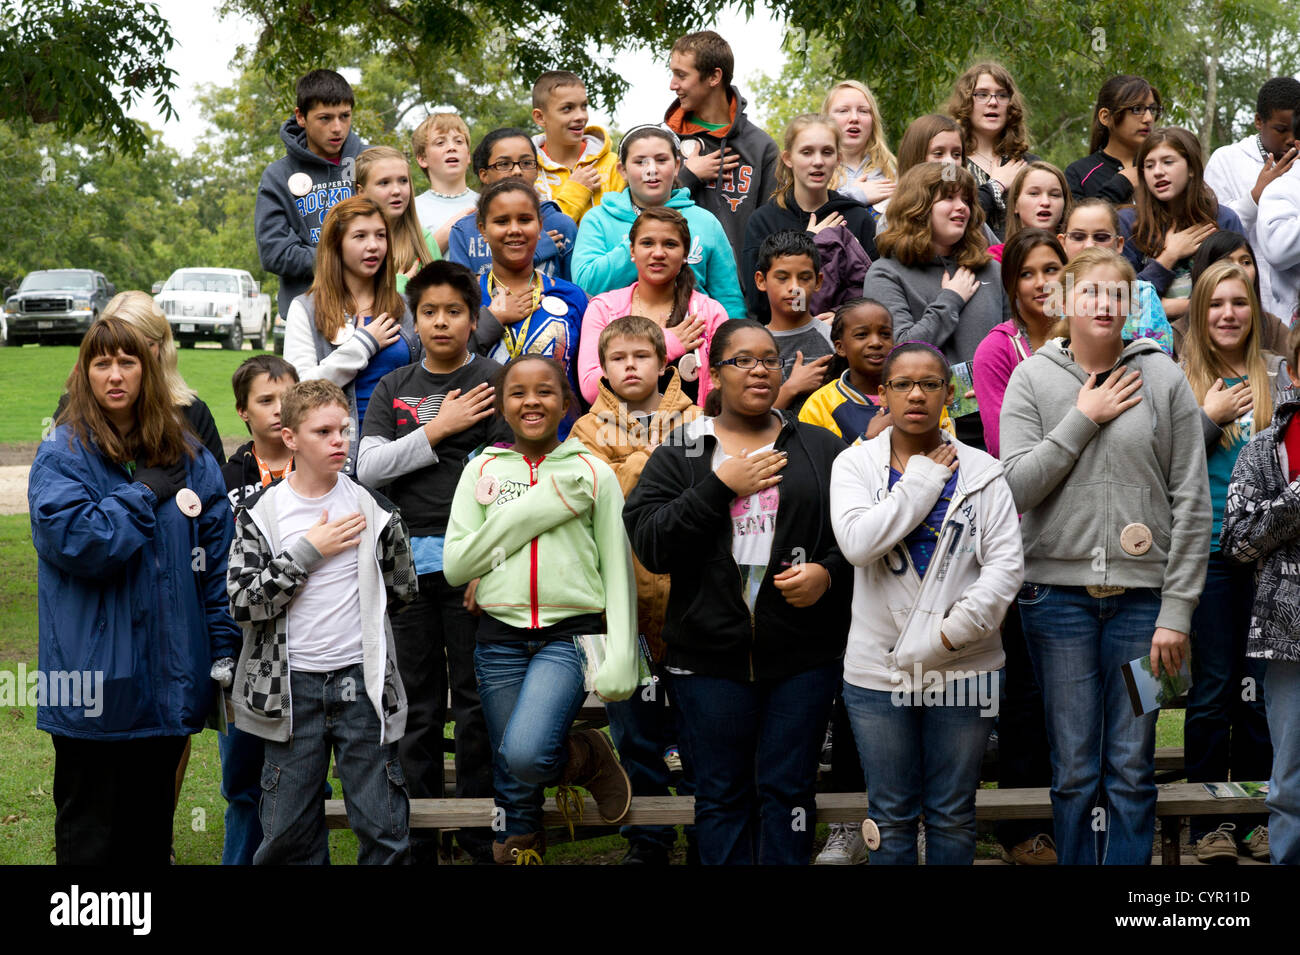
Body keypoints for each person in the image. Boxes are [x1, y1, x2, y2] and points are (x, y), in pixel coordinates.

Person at [1000, 247, 1210, 864]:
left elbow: (1193, 502)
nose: (1102, 303)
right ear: (1065, 301)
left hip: (1145, 610)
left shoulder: (1164, 378)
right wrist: (1081, 418)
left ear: (1131, 305)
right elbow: (1013, 487)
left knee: (1131, 763)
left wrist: (1177, 611)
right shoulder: (1031, 379)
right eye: (1089, 291)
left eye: (1116, 293)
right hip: (1053, 604)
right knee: (1073, 767)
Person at [623, 319, 852, 865]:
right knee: (721, 795)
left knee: (789, 793)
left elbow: (860, 537)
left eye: (769, 360)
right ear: (714, 374)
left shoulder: (820, 447)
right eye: (742, 361)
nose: (759, 370)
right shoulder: (682, 450)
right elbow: (651, 543)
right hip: (707, 659)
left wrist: (826, 572)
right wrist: (721, 486)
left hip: (802, 658)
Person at [31, 317, 239, 864]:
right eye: (102, 363)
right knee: (90, 840)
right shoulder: (61, 455)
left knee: (149, 837)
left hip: (168, 680)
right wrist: (141, 494)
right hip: (90, 686)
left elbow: (216, 566)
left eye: (128, 362)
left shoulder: (192, 458)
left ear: (148, 371)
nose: (116, 374)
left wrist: (221, 650)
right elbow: (81, 544)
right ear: (85, 374)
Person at [831, 340, 1023, 864]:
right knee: (890, 815)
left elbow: (1005, 568)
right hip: (878, 670)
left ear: (949, 393)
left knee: (953, 812)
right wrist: (921, 481)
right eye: (902, 384)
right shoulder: (854, 466)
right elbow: (858, 544)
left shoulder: (984, 470)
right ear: (882, 395)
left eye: (930, 384)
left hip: (967, 666)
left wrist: (944, 638)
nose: (916, 394)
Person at [443, 355, 638, 864]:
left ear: (566, 401)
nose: (532, 401)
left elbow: (617, 568)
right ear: (503, 405)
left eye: (546, 391)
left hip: (569, 636)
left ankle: (585, 755)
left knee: (525, 753)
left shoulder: (593, 473)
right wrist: (543, 507)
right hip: (498, 637)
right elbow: (457, 565)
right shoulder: (480, 469)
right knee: (511, 761)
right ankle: (521, 844)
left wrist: (622, 652)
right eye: (518, 392)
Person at [226, 379, 416, 864]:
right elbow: (244, 602)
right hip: (291, 692)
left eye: (344, 430)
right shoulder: (261, 514)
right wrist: (308, 553)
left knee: (383, 828)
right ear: (290, 437)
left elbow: (401, 590)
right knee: (287, 836)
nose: (339, 441)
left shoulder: (376, 510)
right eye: (323, 431)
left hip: (362, 685)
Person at [356, 260, 509, 866]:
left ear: (474, 320)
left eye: (453, 311)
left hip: (478, 566)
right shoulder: (395, 387)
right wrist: (440, 429)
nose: (441, 322)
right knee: (416, 704)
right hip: (407, 570)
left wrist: (489, 560)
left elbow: (513, 471)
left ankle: (478, 832)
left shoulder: (496, 379)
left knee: (476, 704)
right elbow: (366, 467)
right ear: (414, 321)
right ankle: (418, 837)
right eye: (429, 312)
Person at [569, 316, 702, 865]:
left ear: (663, 364)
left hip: (688, 601)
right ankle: (647, 838)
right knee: (634, 732)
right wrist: (656, 468)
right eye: (617, 358)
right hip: (620, 608)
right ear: (602, 368)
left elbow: (699, 498)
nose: (630, 366)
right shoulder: (584, 431)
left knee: (698, 730)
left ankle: (703, 831)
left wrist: (630, 469)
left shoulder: (695, 420)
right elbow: (593, 502)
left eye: (641, 357)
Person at [1179, 260, 1283, 862]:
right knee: (1213, 687)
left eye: (1239, 303)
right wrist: (1205, 419)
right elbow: (1159, 466)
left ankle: (1255, 815)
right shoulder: (1177, 378)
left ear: (1253, 311)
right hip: (1209, 552)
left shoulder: (1278, 375)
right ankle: (1204, 821)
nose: (1227, 315)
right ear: (1199, 311)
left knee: (1261, 689)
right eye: (1215, 304)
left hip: (1268, 556)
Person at [971, 228, 1069, 863]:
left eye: (1052, 269)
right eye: (1028, 272)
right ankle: (1023, 829)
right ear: (1011, 285)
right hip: (1021, 537)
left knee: (1088, 691)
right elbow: (1013, 453)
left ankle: (1085, 819)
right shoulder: (995, 349)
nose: (1041, 282)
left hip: (1095, 537)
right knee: (1028, 693)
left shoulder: (1097, 341)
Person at [1221, 322, 1300, 865]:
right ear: (1295, 369)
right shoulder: (1264, 449)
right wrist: (1296, 499)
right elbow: (1239, 543)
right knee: (1290, 781)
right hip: (1288, 637)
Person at [217, 353, 299, 865]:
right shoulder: (224, 478)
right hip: (242, 649)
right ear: (243, 411)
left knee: (303, 778)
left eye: (286, 397)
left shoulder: (324, 466)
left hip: (307, 645)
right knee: (243, 781)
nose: (277, 409)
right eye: (264, 400)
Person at [864, 162, 1007, 449]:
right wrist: (950, 299)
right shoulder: (885, 273)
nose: (962, 207)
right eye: (948, 198)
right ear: (918, 206)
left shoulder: (992, 270)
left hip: (998, 420)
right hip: (926, 430)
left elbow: (1014, 342)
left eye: (966, 199)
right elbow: (902, 351)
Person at [283, 195, 419, 476]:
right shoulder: (305, 309)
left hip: (402, 456)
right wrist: (364, 344)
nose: (373, 245)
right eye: (360, 236)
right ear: (337, 244)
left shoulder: (407, 308)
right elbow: (297, 394)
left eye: (380, 235)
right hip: (337, 463)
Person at [570, 124, 745, 317]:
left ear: (677, 165)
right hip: (618, 341)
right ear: (622, 170)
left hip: (694, 338)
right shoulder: (598, 219)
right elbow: (586, 284)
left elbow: (729, 299)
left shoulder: (705, 222)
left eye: (661, 160)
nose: (652, 170)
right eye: (640, 162)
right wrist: (642, 239)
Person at [578, 206, 730, 407]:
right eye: (647, 243)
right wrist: (667, 344)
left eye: (670, 244)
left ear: (686, 253)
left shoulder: (708, 313)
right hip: (617, 434)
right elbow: (591, 389)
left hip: (692, 433)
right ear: (632, 250)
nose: (658, 253)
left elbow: (721, 390)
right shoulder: (603, 309)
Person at [55, 290, 224, 464]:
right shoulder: (72, 412)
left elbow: (216, 485)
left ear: (162, 347)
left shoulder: (192, 413)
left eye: (143, 346)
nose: (139, 357)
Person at [742, 114, 875, 323]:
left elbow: (874, 292)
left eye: (827, 152)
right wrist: (810, 242)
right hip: (784, 344)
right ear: (788, 159)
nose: (818, 161)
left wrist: (842, 316)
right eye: (806, 152)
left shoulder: (858, 219)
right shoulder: (763, 221)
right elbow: (758, 301)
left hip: (845, 342)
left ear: (838, 159)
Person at [665, 30, 780, 271]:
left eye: (681, 75)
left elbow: (773, 234)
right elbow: (641, 216)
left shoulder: (762, 149)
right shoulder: (663, 142)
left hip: (738, 295)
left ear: (714, 76)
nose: (672, 85)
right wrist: (687, 178)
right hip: (671, 288)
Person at [256, 69, 366, 320]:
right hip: (307, 315)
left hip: (370, 311)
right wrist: (344, 258)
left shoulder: (371, 162)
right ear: (301, 117)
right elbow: (275, 253)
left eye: (345, 116)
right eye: (325, 118)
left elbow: (397, 232)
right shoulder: (277, 175)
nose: (337, 128)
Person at [471, 179, 587, 406]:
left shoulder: (572, 296)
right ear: (483, 230)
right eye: (502, 221)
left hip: (561, 437)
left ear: (540, 225)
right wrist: (491, 321)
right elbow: (441, 367)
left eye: (525, 220)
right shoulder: (465, 297)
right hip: (484, 438)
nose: (514, 229)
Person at [1118, 127, 1245, 321]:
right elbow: (1121, 301)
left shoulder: (1224, 219)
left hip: (1209, 337)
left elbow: (1241, 290)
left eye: (1168, 162)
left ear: (1192, 168)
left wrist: (1176, 307)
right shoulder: (1128, 222)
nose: (1158, 172)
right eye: (1149, 165)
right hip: (1146, 344)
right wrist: (1169, 255)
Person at [1204, 77, 1300, 319]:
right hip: (1238, 308)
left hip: (1290, 313)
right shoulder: (1226, 160)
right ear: (1259, 121)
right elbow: (1211, 235)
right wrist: (1256, 196)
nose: (1290, 138)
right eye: (1281, 129)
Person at [448, 127, 577, 281]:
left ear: (537, 170)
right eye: (503, 164)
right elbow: (461, 293)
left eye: (526, 162)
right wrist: (530, 255)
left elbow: (575, 292)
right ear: (484, 175)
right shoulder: (463, 231)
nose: (517, 171)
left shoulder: (561, 225)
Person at [1058, 198, 1174, 355]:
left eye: (1101, 237)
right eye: (1078, 237)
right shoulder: (1051, 294)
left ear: (1119, 244)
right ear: (1063, 243)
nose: (1089, 245)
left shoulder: (1142, 295)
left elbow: (1160, 363)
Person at [946, 62, 1038, 239]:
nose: (993, 102)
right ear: (966, 102)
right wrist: (996, 185)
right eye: (982, 94)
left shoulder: (1029, 164)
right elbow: (942, 218)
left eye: (1002, 95)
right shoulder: (950, 164)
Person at [752, 230, 834, 415]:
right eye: (782, 278)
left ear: (818, 281)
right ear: (761, 280)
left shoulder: (833, 339)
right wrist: (791, 388)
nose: (794, 287)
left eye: (804, 278)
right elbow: (746, 422)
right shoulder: (751, 345)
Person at [530, 70, 625, 224]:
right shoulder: (525, 170)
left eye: (584, 106)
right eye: (567, 108)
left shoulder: (615, 166)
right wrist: (577, 191)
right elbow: (537, 236)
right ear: (540, 117)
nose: (581, 116)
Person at [1188, 232, 1291, 356]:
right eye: (1215, 305)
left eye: (1246, 262)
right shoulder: (1179, 334)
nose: (1238, 269)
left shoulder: (1273, 328)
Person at [356, 146, 440, 295]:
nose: (396, 190)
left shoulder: (424, 241)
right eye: (384, 182)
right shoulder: (347, 242)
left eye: (403, 181)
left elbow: (442, 300)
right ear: (361, 192)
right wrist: (398, 288)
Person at [1065, 75, 1162, 205]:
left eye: (1152, 109)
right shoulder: (1078, 173)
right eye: (1137, 109)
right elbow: (1079, 223)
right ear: (1105, 117)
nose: (1149, 118)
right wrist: (1121, 184)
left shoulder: (1163, 167)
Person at [823, 80, 897, 217]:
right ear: (826, 120)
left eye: (863, 111)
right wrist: (855, 195)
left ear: (873, 120)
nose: (854, 118)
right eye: (843, 111)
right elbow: (804, 216)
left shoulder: (892, 172)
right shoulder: (814, 169)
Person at [411, 112, 478, 253]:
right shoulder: (412, 210)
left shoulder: (488, 203)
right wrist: (455, 227)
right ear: (422, 159)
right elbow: (409, 267)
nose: (452, 147)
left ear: (468, 156)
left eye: (459, 141)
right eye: (440, 143)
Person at [987, 161, 1071, 261]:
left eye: (1054, 195)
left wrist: (1069, 265)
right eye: (1034, 193)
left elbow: (1070, 277)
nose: (1045, 202)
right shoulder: (997, 257)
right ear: (1015, 204)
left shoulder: (1073, 253)